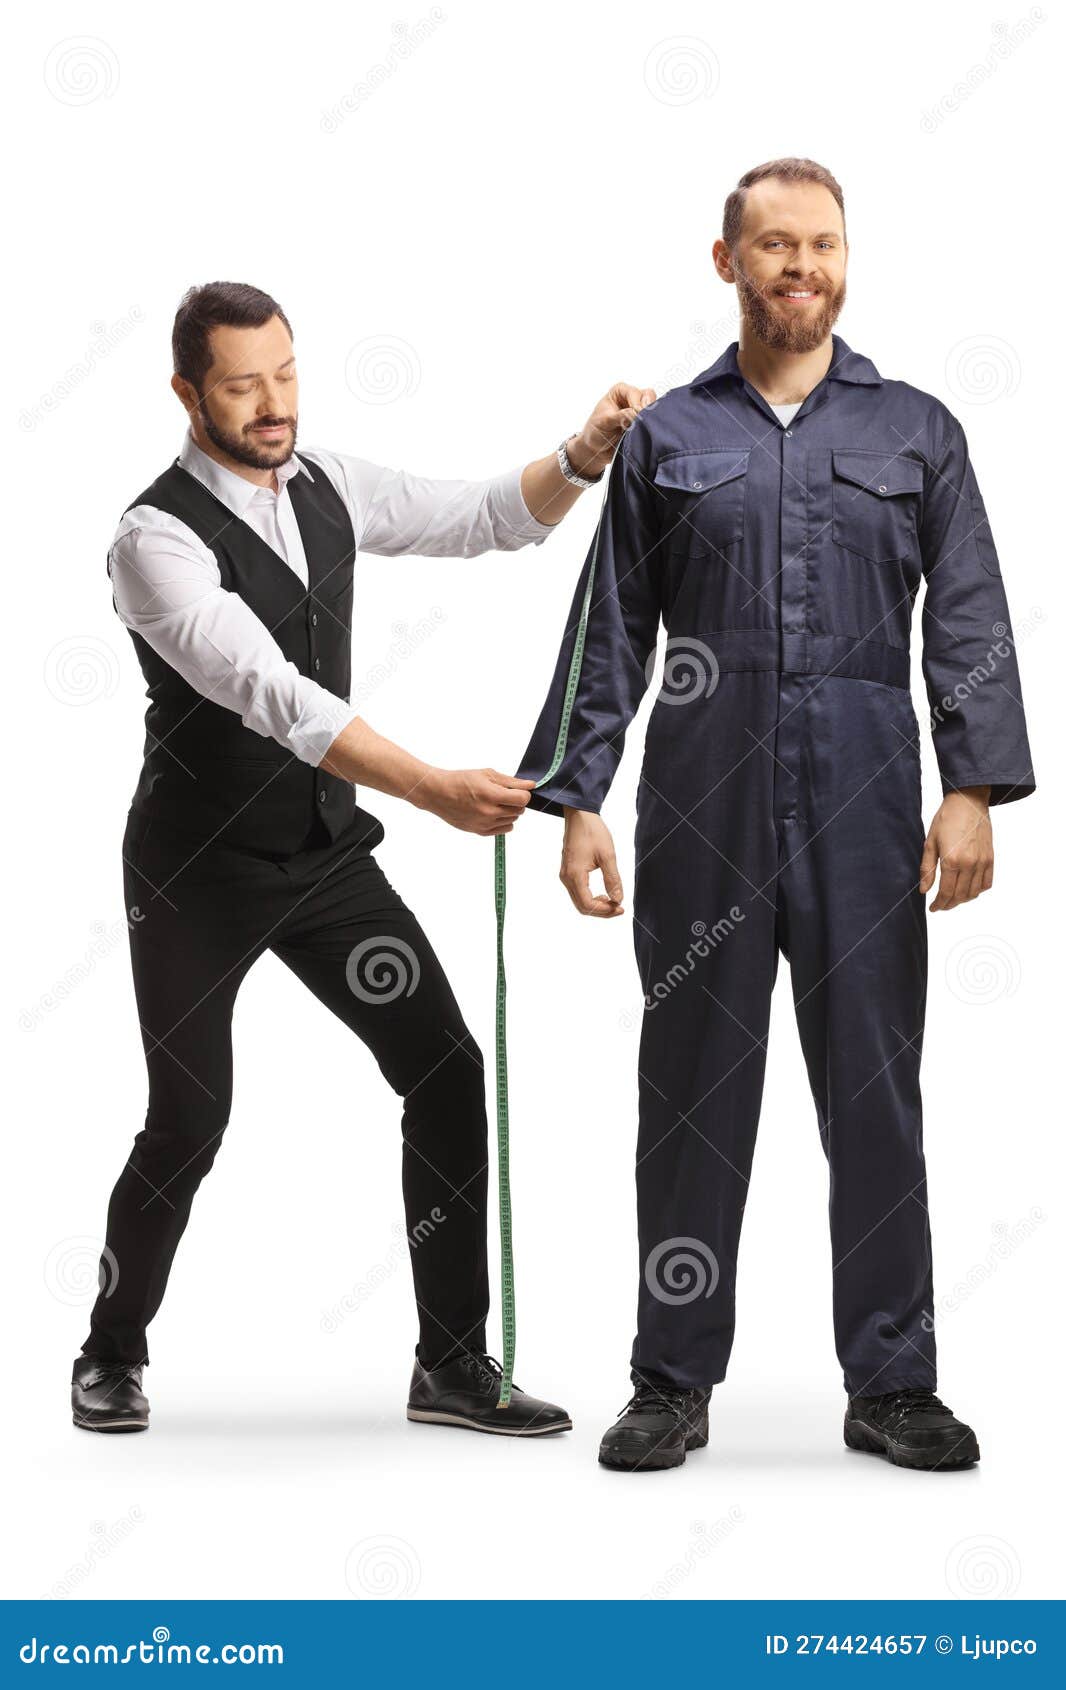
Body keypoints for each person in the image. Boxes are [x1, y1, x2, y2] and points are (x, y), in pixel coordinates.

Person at [517, 158, 1035, 1473]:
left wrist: (970, 784)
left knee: (872, 1086)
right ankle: (669, 1379)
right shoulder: (668, 435)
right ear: (725, 261)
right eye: (773, 245)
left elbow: (966, 611)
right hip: (702, 790)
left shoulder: (913, 429)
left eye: (821, 244)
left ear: (844, 261)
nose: (798, 265)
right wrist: (575, 797)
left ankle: (893, 1384)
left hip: (866, 782)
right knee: (692, 1087)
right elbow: (614, 626)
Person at [73, 279, 654, 1437]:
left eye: (285, 373)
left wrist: (582, 452)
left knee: (445, 1069)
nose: (273, 402)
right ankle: (110, 1351)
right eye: (242, 385)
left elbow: (482, 516)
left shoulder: (327, 481)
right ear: (188, 393)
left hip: (324, 856)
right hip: (196, 872)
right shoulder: (153, 540)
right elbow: (270, 694)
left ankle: (449, 1364)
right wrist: (433, 787)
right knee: (189, 1120)